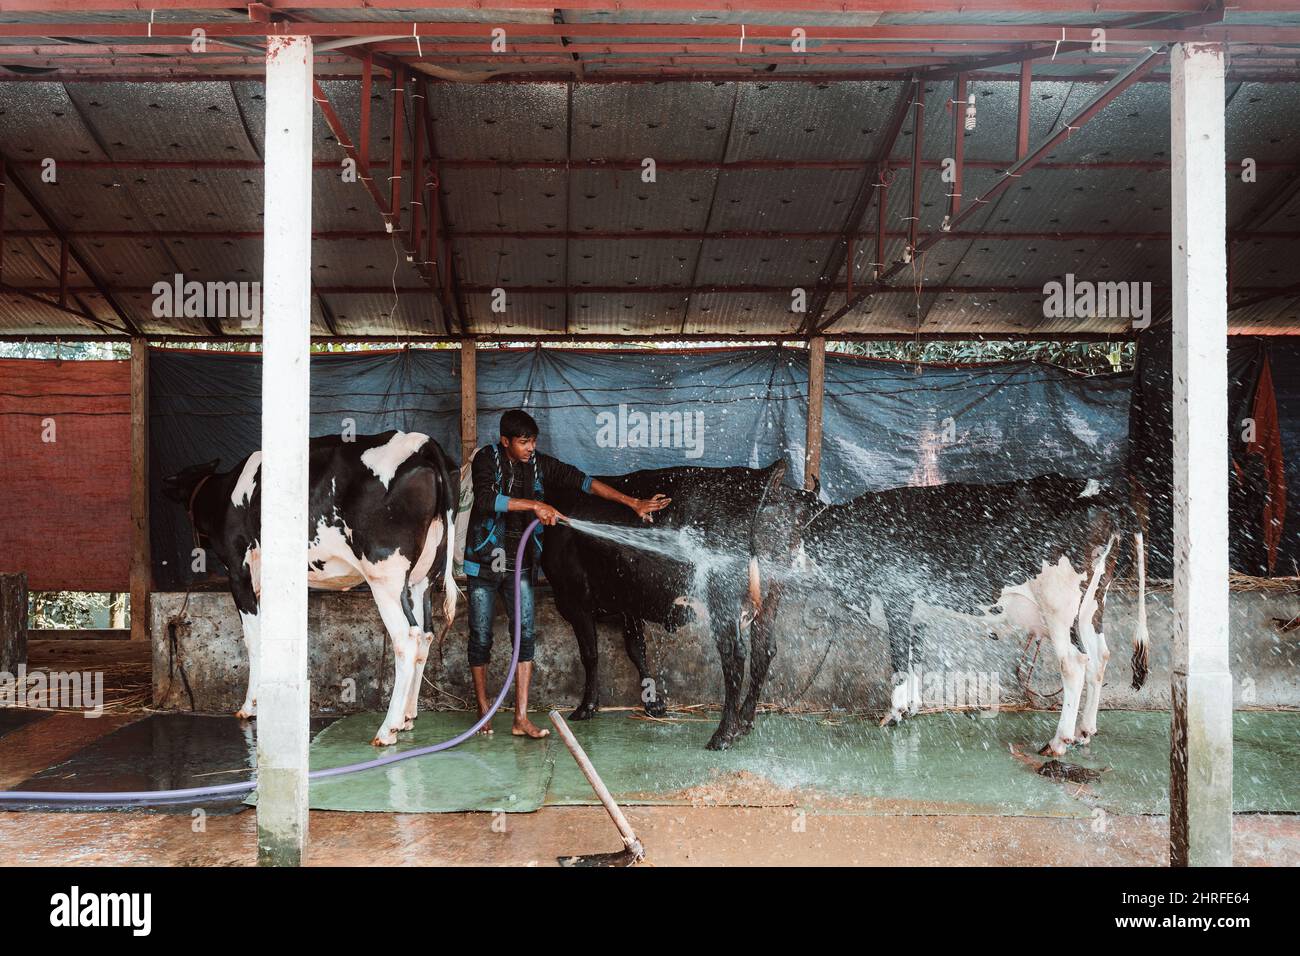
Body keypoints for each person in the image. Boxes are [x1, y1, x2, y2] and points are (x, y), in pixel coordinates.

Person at [463, 409, 672, 738]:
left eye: (533, 441)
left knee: (525, 638)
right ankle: (481, 706)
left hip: (521, 563)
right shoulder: (485, 461)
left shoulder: (540, 464)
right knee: (481, 638)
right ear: (505, 442)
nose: (530, 447)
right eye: (523, 442)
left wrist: (632, 502)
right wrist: (535, 506)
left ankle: (520, 719)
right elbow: (488, 500)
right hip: (483, 561)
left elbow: (584, 482)